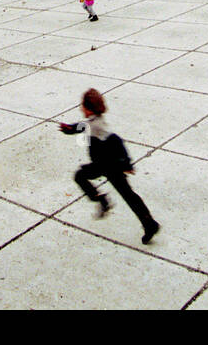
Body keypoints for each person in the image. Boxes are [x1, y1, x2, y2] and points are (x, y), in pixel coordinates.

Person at [58, 88, 159, 244]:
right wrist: (70, 129)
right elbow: (82, 126)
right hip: (102, 164)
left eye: (82, 106)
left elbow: (117, 141)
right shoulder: (93, 121)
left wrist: (126, 163)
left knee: (82, 177)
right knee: (128, 195)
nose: (80, 108)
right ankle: (148, 223)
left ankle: (104, 201)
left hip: (109, 165)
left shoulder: (98, 126)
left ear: (88, 108)